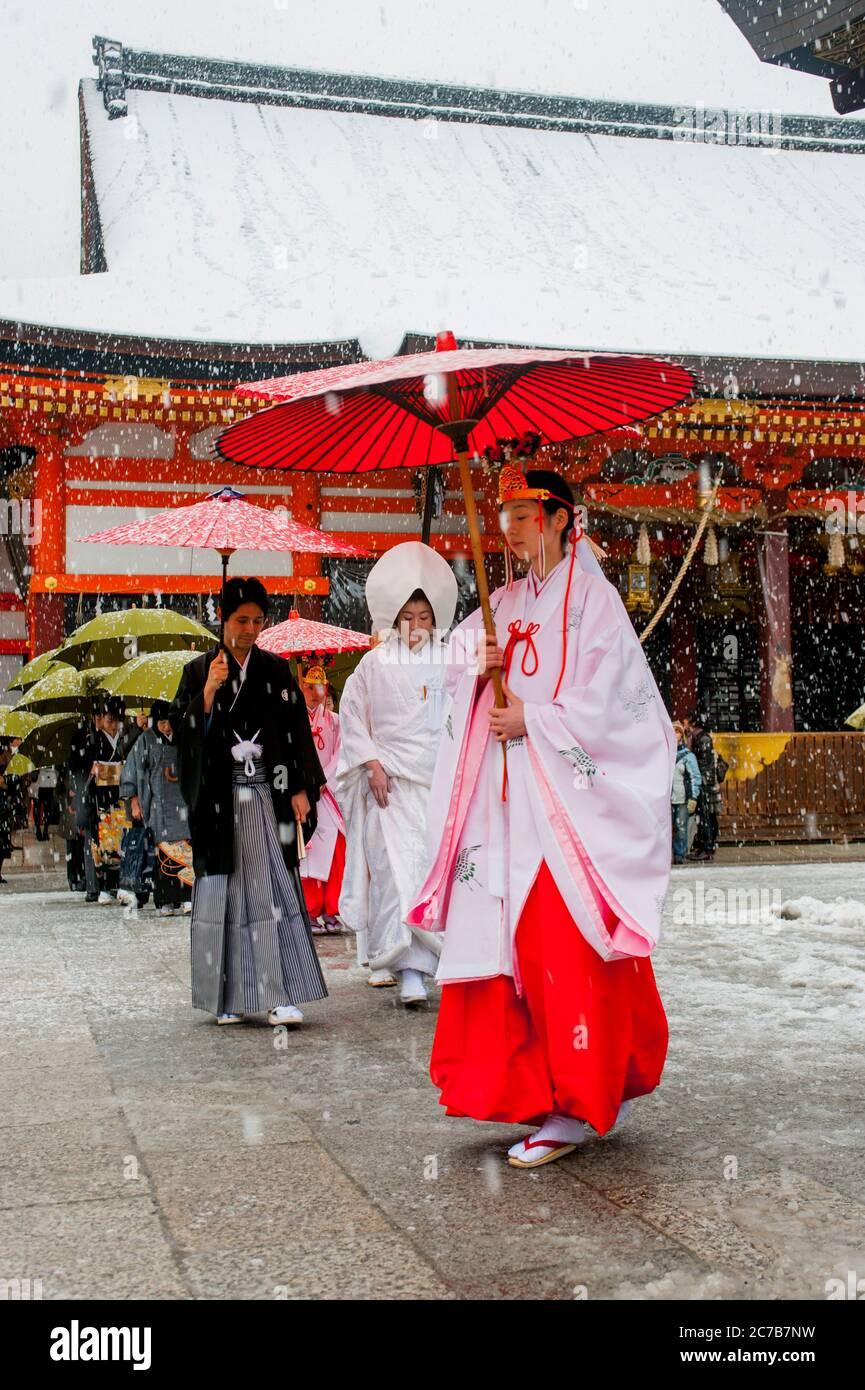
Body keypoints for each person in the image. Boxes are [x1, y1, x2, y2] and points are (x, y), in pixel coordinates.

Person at [407, 464, 674, 1168]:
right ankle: (531, 1090)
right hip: (502, 805)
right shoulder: (501, 601)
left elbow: (616, 707)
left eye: (522, 512)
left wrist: (537, 718)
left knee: (561, 943)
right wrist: (475, 665)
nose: (508, 525)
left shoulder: (594, 601)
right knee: (510, 947)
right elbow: (449, 673)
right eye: (502, 513)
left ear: (559, 517)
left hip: (566, 809)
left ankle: (573, 1103)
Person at [175, 576, 328, 1027]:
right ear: (222, 618)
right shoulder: (199, 671)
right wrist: (207, 693)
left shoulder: (277, 672)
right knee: (223, 895)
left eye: (258, 621)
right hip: (219, 800)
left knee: (268, 894)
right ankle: (227, 996)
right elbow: (181, 738)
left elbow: (294, 733)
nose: (250, 629)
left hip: (265, 795)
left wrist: (299, 787)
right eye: (241, 620)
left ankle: (277, 993)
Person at [335, 541, 457, 1006]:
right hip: (389, 786)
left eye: (425, 616)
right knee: (394, 875)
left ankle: (435, 962)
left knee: (432, 872)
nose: (417, 625)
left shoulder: (450, 660)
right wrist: (371, 765)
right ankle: (406, 969)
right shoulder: (373, 662)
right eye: (408, 615)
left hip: (436, 784)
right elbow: (352, 717)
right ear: (393, 617)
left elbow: (461, 715)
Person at [120, 701, 191, 917]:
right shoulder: (146, 740)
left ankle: (188, 896)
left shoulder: (184, 737)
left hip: (183, 802)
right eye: (161, 723)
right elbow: (132, 771)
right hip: (159, 804)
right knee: (164, 853)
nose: (167, 727)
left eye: (169, 722)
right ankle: (165, 900)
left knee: (186, 851)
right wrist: (134, 801)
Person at [298, 662, 345, 934]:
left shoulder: (335, 721)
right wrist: (308, 783)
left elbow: (341, 754)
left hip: (328, 794)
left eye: (319, 687)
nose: (314, 693)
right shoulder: (293, 719)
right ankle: (311, 909)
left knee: (336, 851)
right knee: (310, 853)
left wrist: (324, 780)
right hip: (308, 793)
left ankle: (333, 908)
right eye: (308, 687)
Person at [75, 700, 127, 904]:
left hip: (119, 795)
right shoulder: (93, 739)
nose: (112, 726)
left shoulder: (123, 739)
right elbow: (79, 763)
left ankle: (118, 884)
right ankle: (104, 885)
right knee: (104, 841)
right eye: (109, 721)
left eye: (115, 721)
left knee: (120, 842)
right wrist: (91, 766)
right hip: (101, 797)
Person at [685, 712, 718, 861]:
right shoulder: (698, 737)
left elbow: (705, 764)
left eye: (686, 721)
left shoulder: (702, 738)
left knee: (706, 816)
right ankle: (703, 845)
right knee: (704, 816)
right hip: (703, 782)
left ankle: (707, 847)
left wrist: (699, 778)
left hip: (704, 783)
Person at [671, 720, 702, 865]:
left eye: (678, 731)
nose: (675, 734)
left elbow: (695, 777)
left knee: (681, 828)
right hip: (667, 798)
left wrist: (693, 797)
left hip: (682, 798)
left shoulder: (687, 756)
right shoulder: (665, 755)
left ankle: (679, 854)